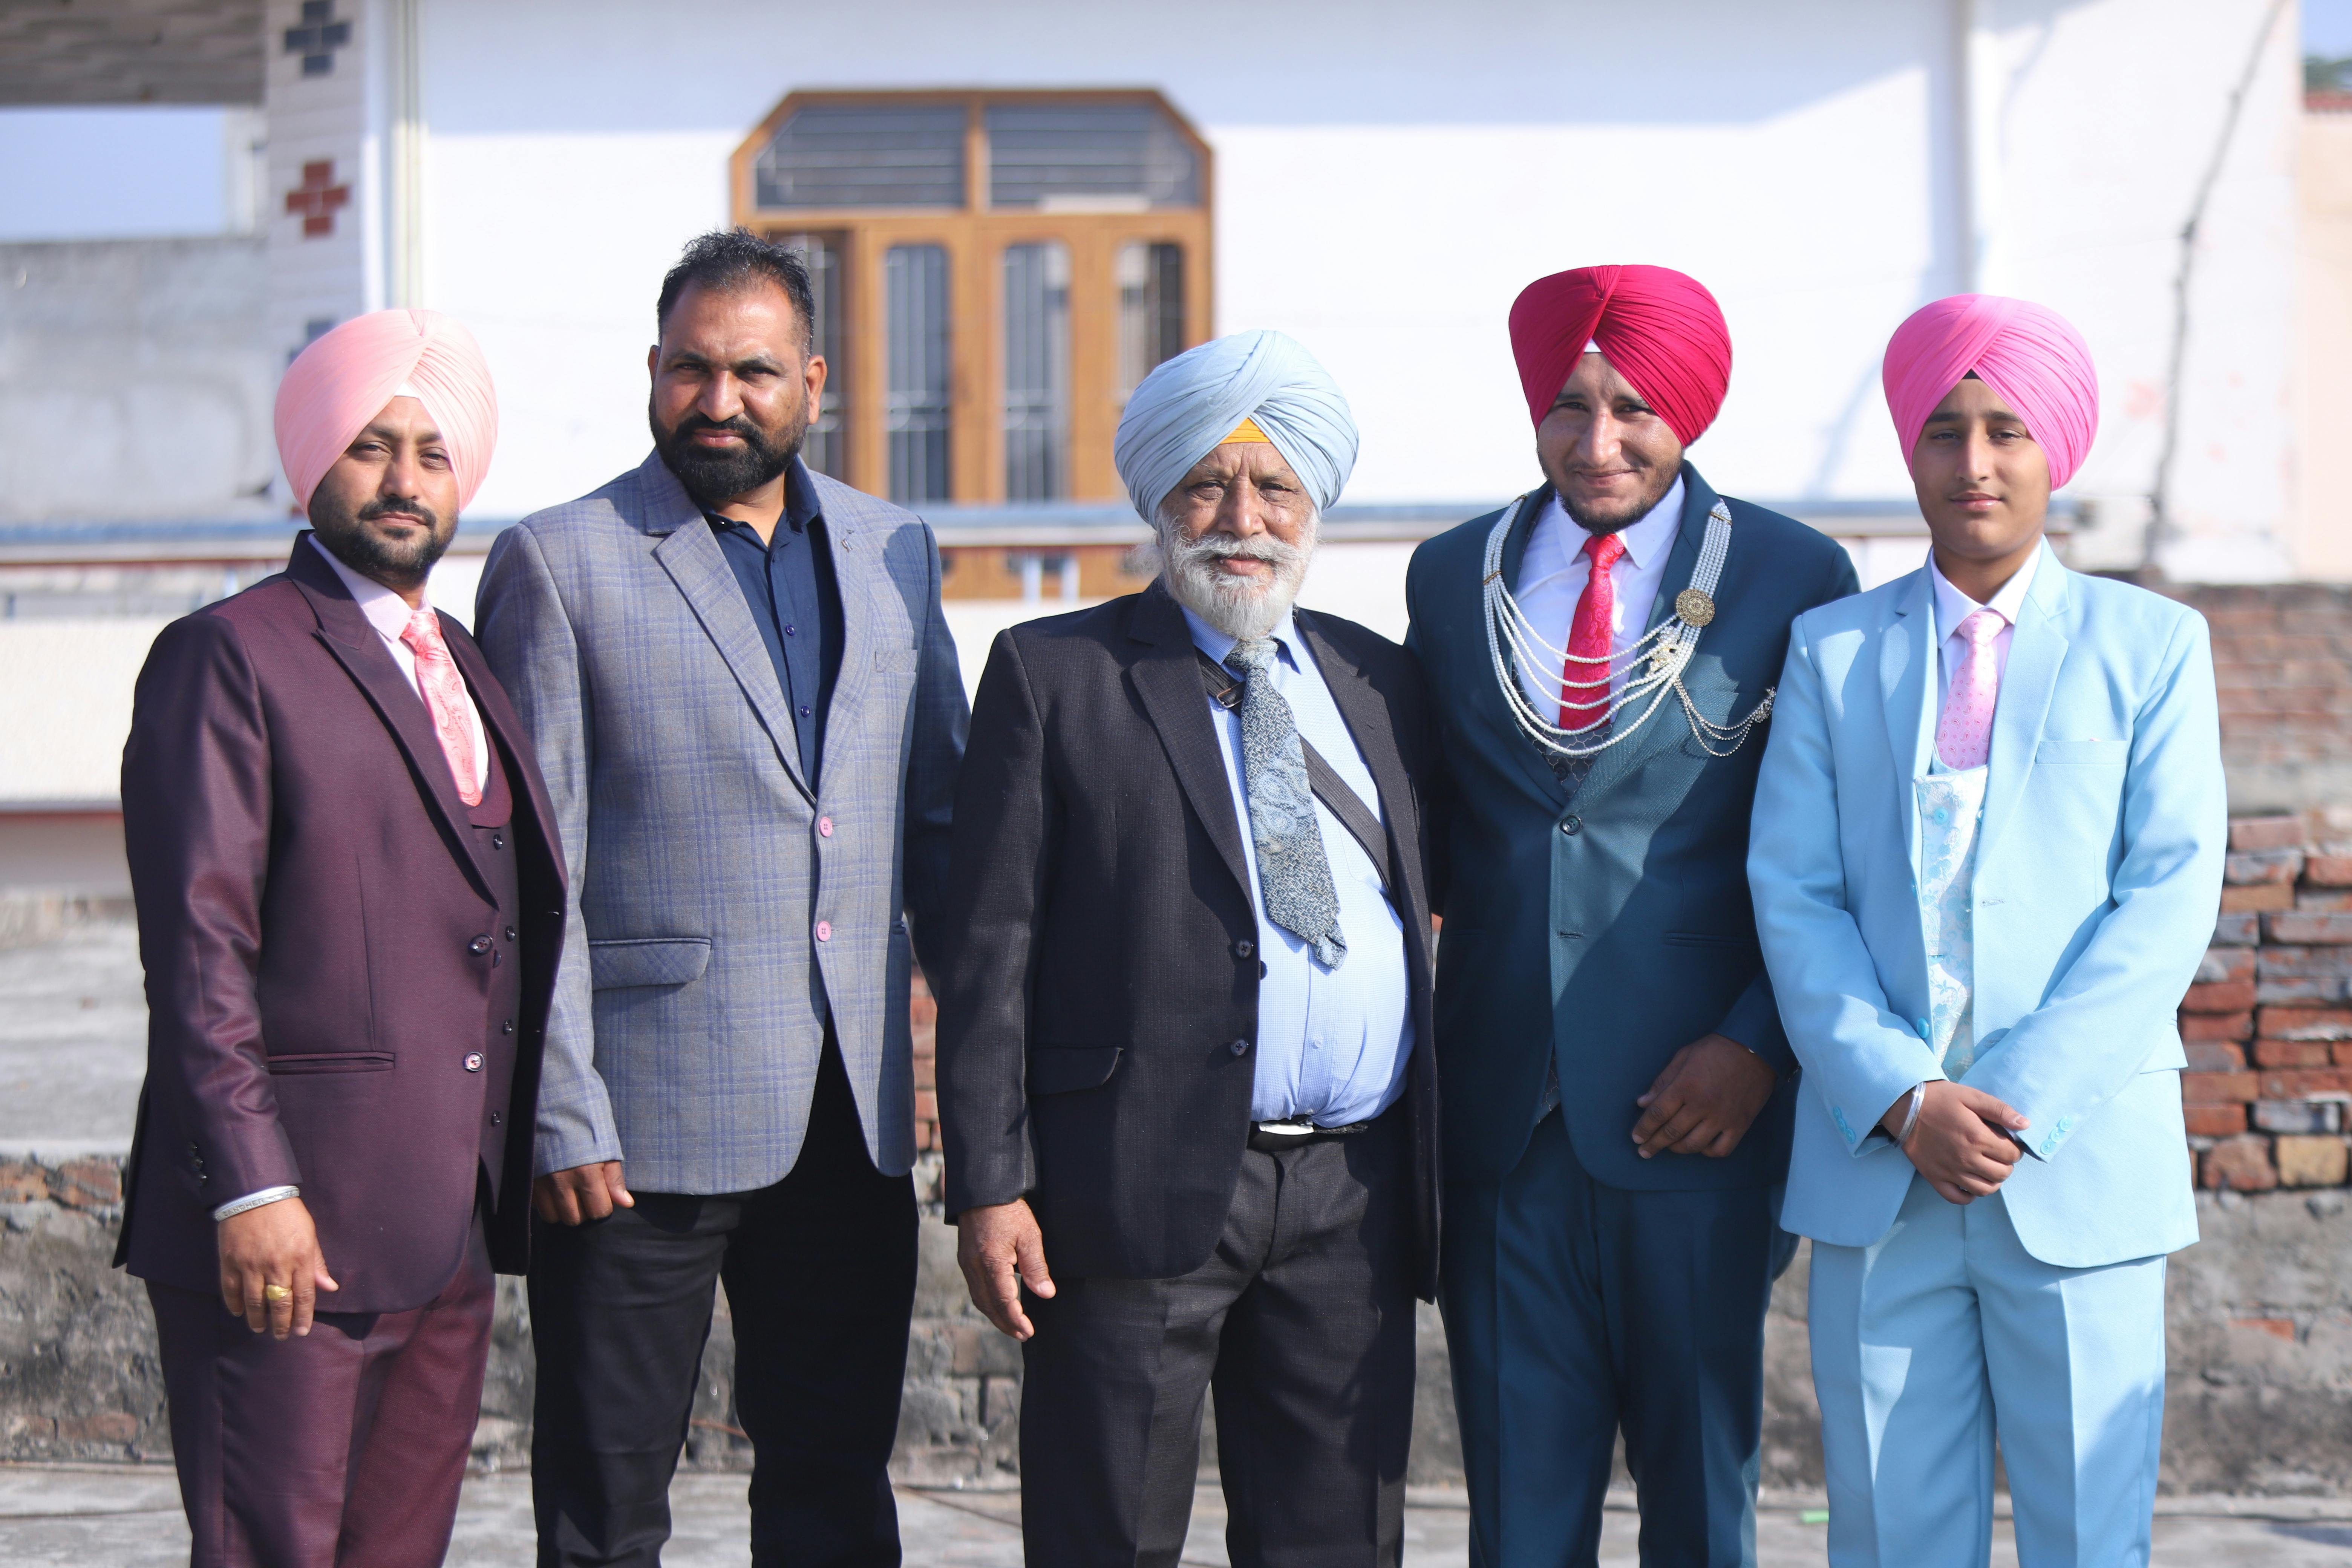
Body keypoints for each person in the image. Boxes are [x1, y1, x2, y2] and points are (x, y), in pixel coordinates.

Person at [473, 230, 967, 1568]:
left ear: (812, 380)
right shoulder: (562, 562)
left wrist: (984, 1094)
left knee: (833, 1483)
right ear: (654, 373)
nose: (720, 398)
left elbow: (943, 829)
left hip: (847, 1124)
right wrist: (561, 1114)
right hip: (635, 1131)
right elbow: (536, 872)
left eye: (753, 370)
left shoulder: (894, 551)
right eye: (691, 369)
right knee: (604, 1500)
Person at [934, 329, 1440, 1567]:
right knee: (1106, 1535)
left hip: (1350, 1198)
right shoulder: (1058, 674)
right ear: (1161, 499)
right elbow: (989, 948)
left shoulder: (1379, 683)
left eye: (1275, 488)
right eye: (1208, 484)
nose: (1242, 517)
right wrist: (989, 1185)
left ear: (1313, 506)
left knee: (1334, 1543)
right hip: (1131, 1185)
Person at [1750, 295, 2224, 1567]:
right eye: (1946, 430)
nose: (1976, 462)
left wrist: (2005, 1105)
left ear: (2056, 449)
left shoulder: (2152, 647)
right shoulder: (1833, 652)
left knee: (2087, 1538)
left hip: (2075, 1167)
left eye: (2007, 428)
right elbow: (1795, 894)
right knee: (1891, 1536)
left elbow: (2169, 895)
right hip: (1881, 1166)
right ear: (1909, 450)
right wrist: (1908, 1099)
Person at [1403, 264, 1860, 1565]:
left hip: (1696, 1109)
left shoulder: (1791, 571)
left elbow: (1827, 847)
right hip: (1501, 1118)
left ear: (1692, 411)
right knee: (1518, 1516)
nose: (1597, 443)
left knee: (1701, 1508)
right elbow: (1431, 830)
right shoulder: (1452, 578)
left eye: (1634, 408)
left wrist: (1758, 1045)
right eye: (1568, 405)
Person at [118, 308, 562, 1567]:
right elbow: (199, 951)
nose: (407, 479)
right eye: (373, 446)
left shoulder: (468, 666)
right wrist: (255, 1186)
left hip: (446, 1227)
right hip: (288, 1226)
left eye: (432, 451)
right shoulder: (229, 656)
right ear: (313, 462)